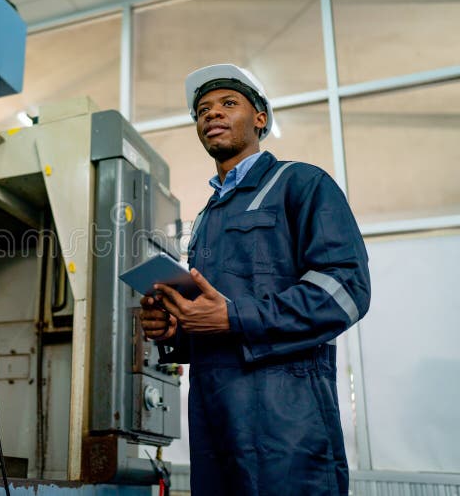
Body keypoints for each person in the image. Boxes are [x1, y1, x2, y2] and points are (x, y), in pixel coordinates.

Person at [139, 64, 371, 495]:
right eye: (203, 110)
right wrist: (176, 328)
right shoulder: (207, 217)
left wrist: (233, 317)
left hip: (287, 420)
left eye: (229, 104)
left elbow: (346, 289)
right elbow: (213, 315)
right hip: (214, 422)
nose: (212, 114)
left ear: (260, 119)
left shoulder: (301, 183)